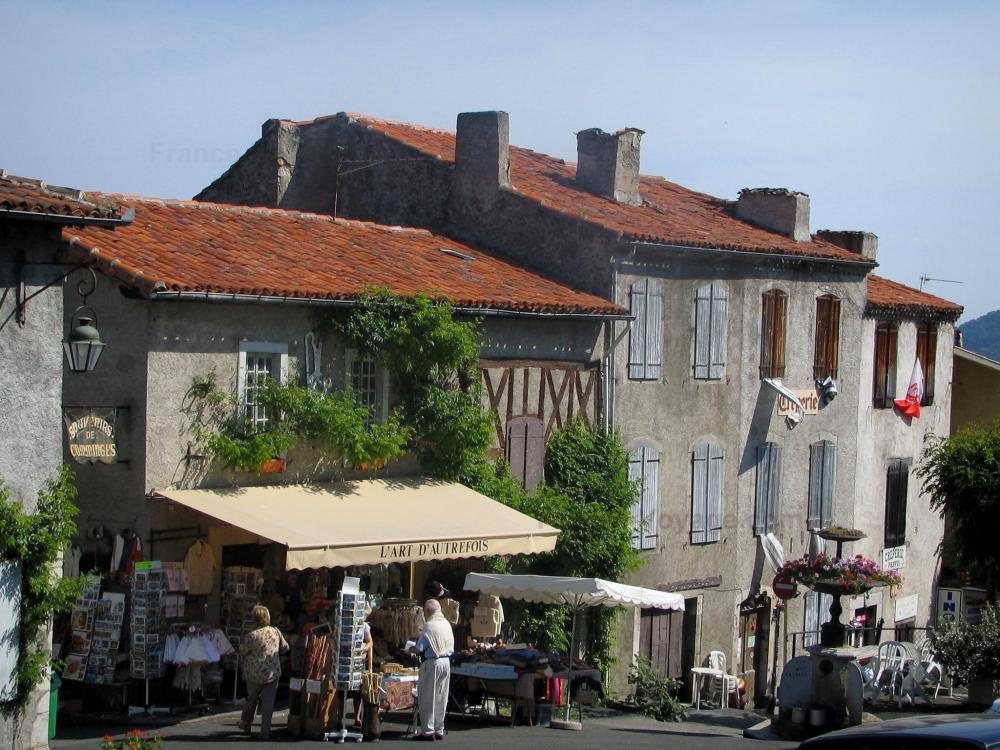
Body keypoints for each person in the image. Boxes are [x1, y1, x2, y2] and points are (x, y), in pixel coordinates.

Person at [237, 604, 289, 740]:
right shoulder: (275, 631)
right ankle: (265, 732)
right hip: (272, 672)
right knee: (268, 703)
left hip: (254, 673)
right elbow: (285, 648)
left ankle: (246, 724)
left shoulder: (252, 636)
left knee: (252, 699)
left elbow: (242, 651)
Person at [408, 599, 454, 741]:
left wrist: (411, 648)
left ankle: (428, 731)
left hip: (432, 662)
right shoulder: (447, 624)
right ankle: (439, 729)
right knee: (441, 696)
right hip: (446, 662)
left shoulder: (429, 626)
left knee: (427, 697)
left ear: (428, 612)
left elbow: (419, 648)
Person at [352, 602, 374, 728]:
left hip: (359, 660)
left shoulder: (365, 626)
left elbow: (370, 642)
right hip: (350, 658)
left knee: (358, 691)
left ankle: (357, 717)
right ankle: (339, 718)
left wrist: (364, 648)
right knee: (342, 691)